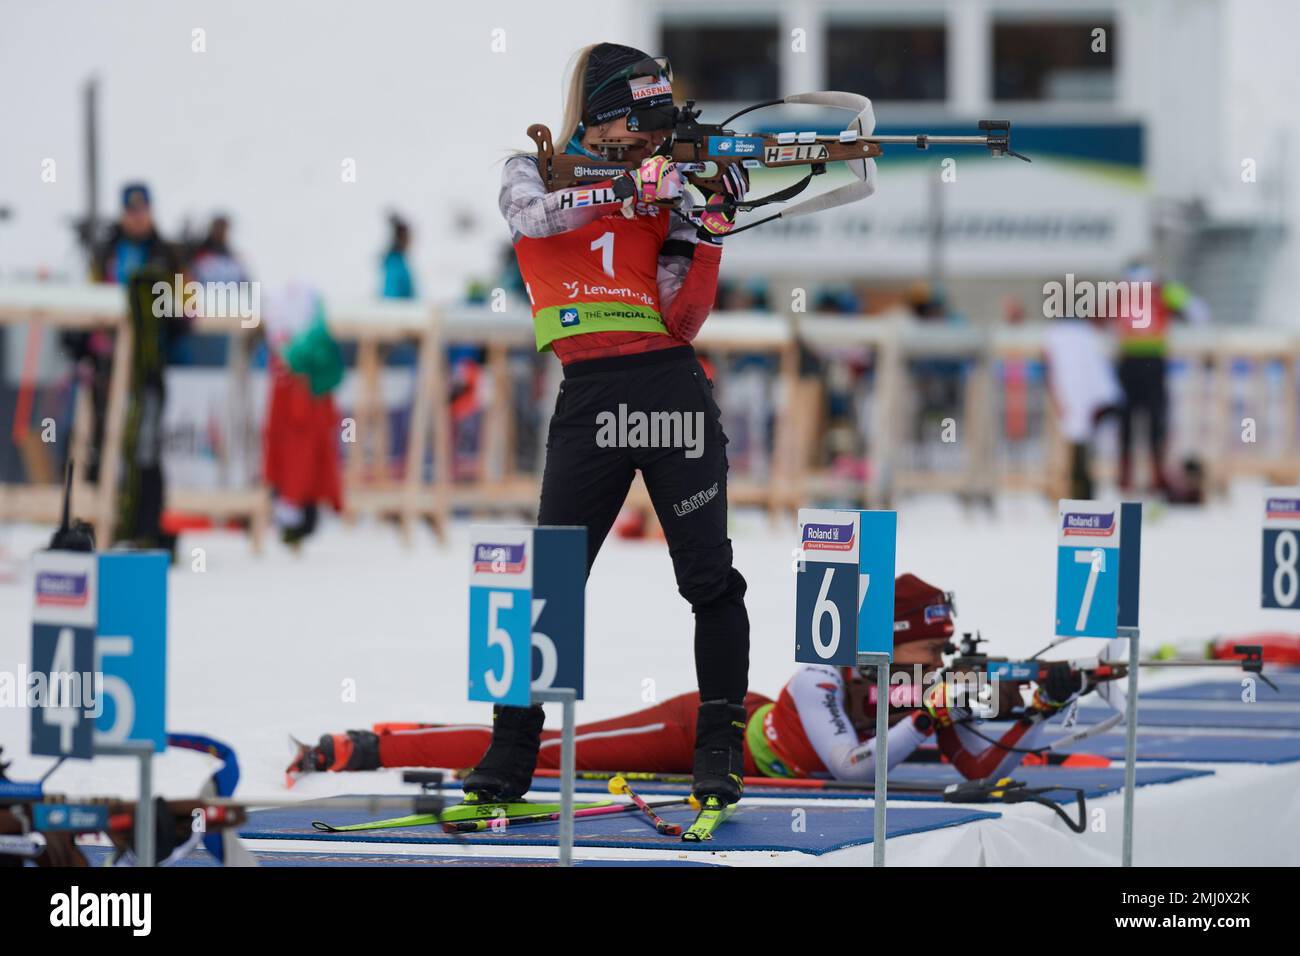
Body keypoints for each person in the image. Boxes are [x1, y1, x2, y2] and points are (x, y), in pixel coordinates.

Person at [450, 42, 753, 809]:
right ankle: (511, 748)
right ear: (601, 117)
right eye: (638, 125)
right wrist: (627, 187)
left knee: (709, 580)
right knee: (550, 580)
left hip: (669, 389)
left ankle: (720, 748)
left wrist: (708, 230)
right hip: (589, 400)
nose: (651, 140)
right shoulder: (535, 168)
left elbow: (681, 318)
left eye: (658, 129)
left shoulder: (668, 187)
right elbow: (529, 216)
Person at [290, 575, 1085, 784]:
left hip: (737, 772)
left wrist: (1040, 710)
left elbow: (982, 770)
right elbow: (849, 769)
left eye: (947, 660)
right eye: (929, 656)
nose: (939, 671)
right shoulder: (822, 677)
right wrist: (929, 716)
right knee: (543, 755)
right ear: (897, 644)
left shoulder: (917, 695)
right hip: (700, 731)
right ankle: (372, 744)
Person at [1044, 312, 1122, 499]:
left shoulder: (1059, 336)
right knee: (1083, 447)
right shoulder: (1088, 335)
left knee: (1080, 448)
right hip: (1095, 400)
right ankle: (1080, 491)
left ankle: (1078, 492)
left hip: (1083, 401)